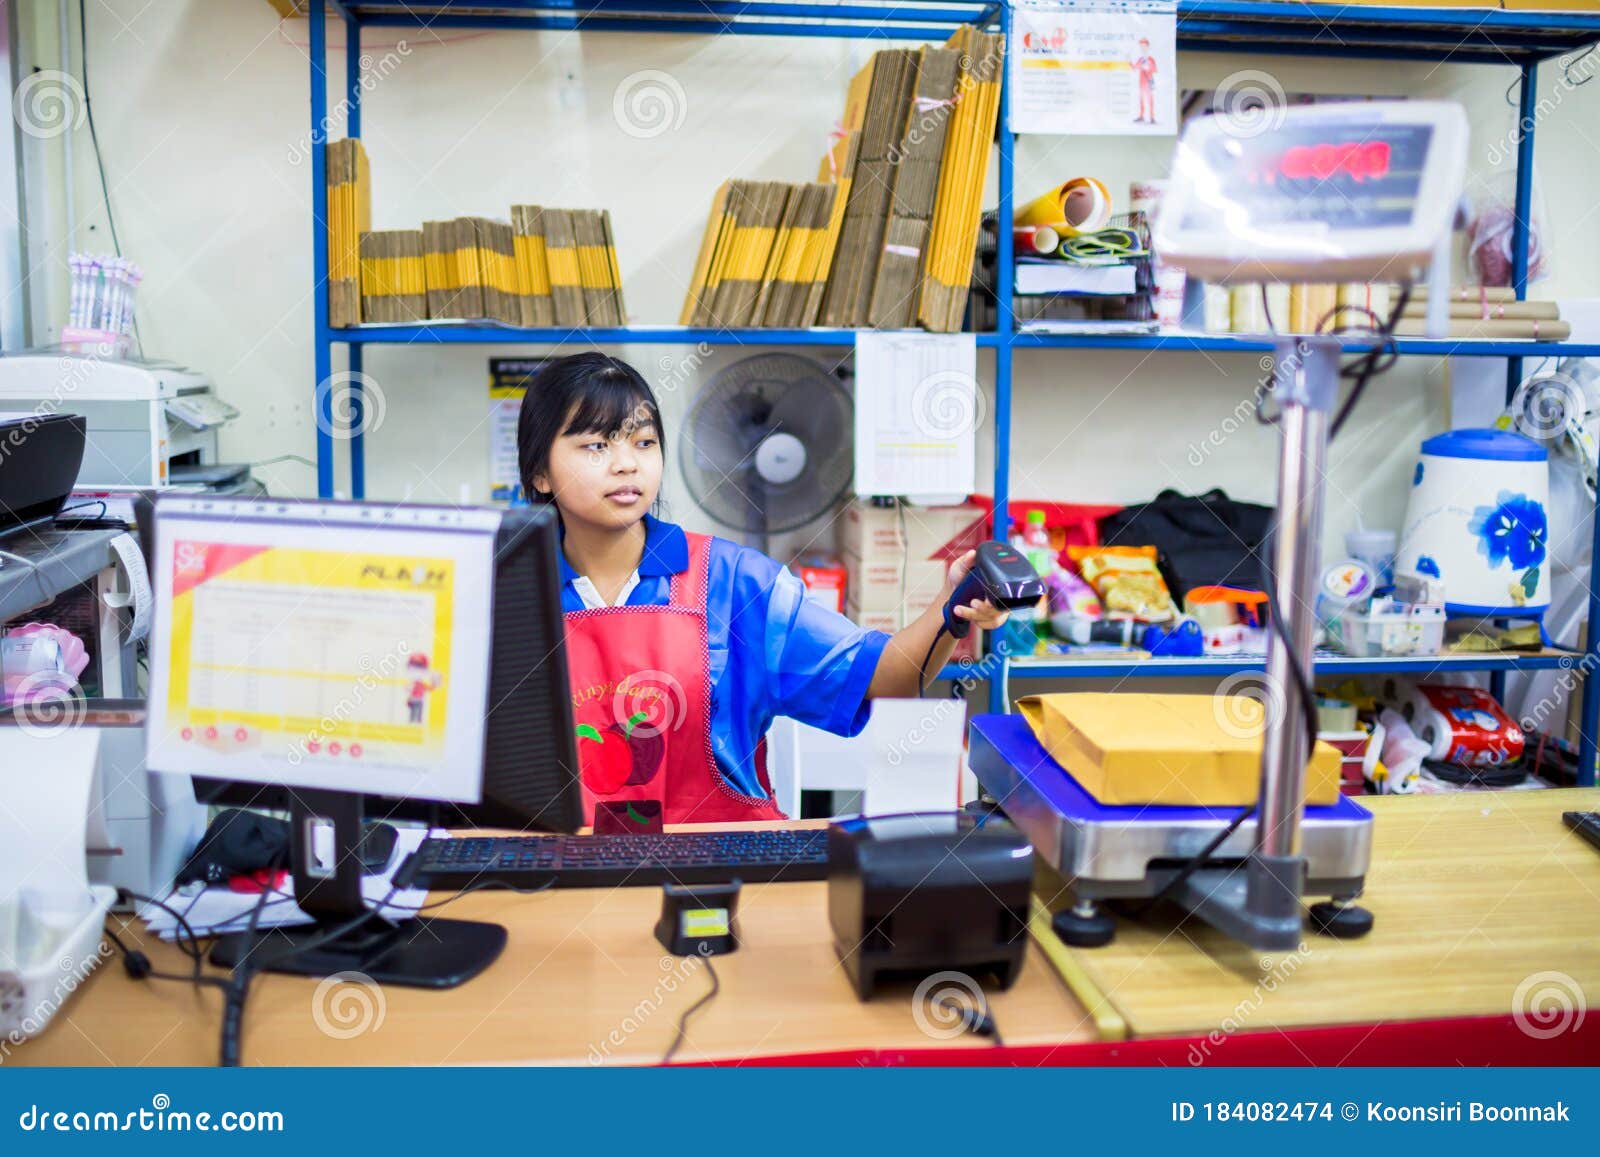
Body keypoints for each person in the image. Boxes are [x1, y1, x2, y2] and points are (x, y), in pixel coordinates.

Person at [517, 352, 1011, 825]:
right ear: (540, 473)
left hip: (721, 868)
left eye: (643, 442)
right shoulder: (508, 597)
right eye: (596, 445)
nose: (627, 464)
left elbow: (884, 677)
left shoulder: (737, 584)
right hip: (561, 869)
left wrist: (952, 611)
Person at [1130, 38, 1157, 125]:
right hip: (1141, 83)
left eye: (1144, 46)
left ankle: (1152, 118)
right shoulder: (1140, 59)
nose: (1142, 48)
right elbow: (1134, 68)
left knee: (1150, 100)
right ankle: (1141, 116)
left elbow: (1155, 70)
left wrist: (1148, 67)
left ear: (1147, 47)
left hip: (1148, 83)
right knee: (1141, 100)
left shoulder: (1151, 59)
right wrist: (1129, 62)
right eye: (1141, 46)